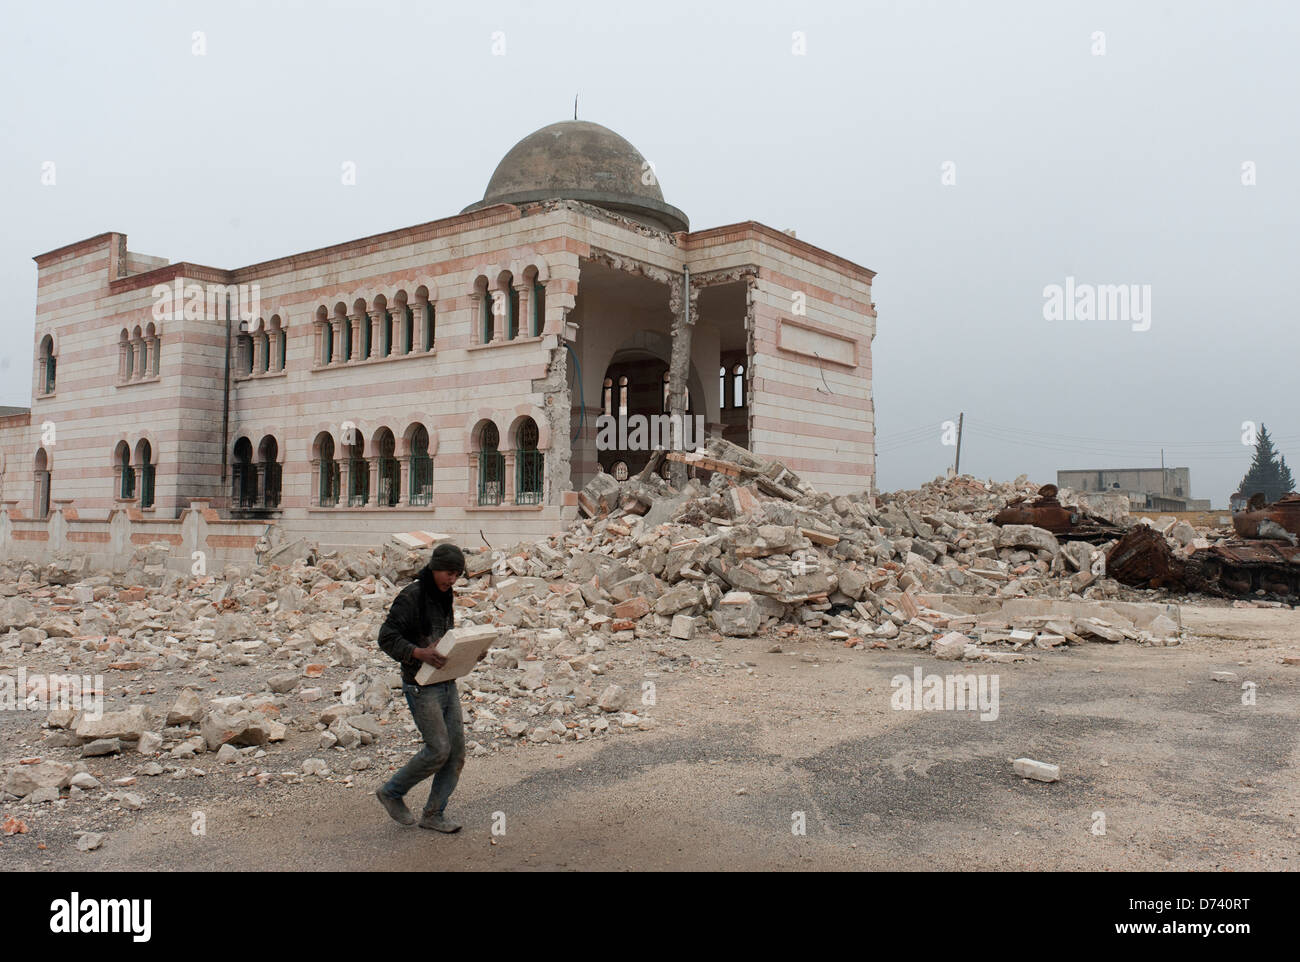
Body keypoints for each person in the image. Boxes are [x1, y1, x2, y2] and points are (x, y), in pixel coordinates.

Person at [374, 542, 478, 832]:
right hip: (421, 685)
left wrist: (468, 651)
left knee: (455, 753)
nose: (452, 579)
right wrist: (418, 653)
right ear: (434, 568)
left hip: (445, 681)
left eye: (457, 574)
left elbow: (443, 638)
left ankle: (433, 814)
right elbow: (385, 637)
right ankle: (391, 792)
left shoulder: (446, 595)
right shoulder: (412, 596)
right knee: (438, 749)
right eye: (448, 573)